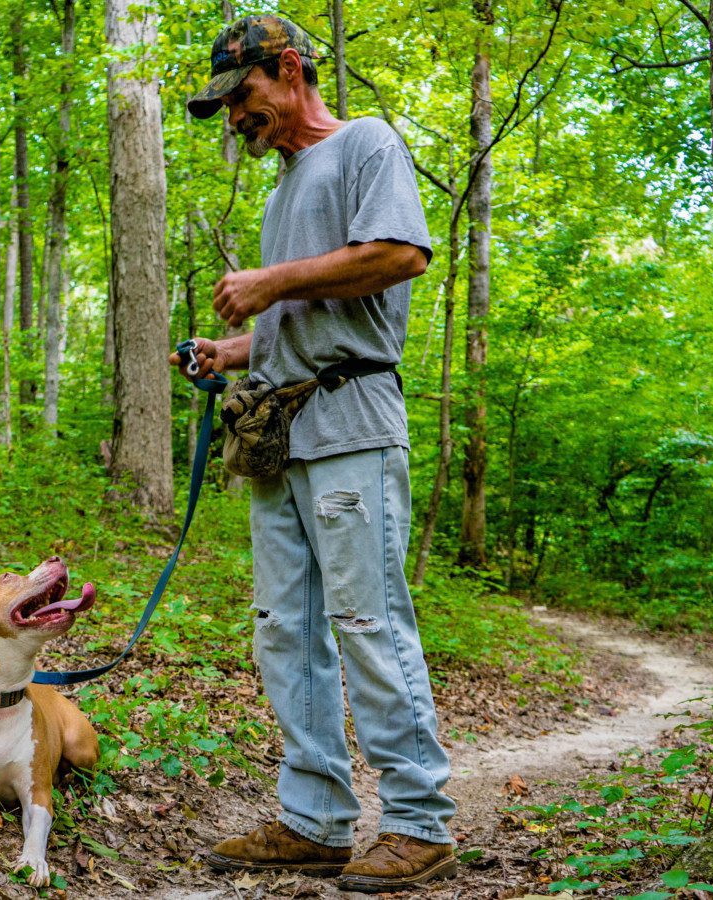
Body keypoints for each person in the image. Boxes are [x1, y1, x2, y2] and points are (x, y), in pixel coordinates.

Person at [169, 14, 457, 892]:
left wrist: (270, 283)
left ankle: (419, 821)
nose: (234, 118)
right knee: (285, 631)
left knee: (368, 624)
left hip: (353, 424)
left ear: (289, 70)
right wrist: (236, 350)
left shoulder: (365, 144)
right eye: (224, 106)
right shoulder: (281, 189)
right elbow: (306, 319)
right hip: (280, 429)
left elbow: (401, 255)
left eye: (243, 96)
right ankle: (317, 819)